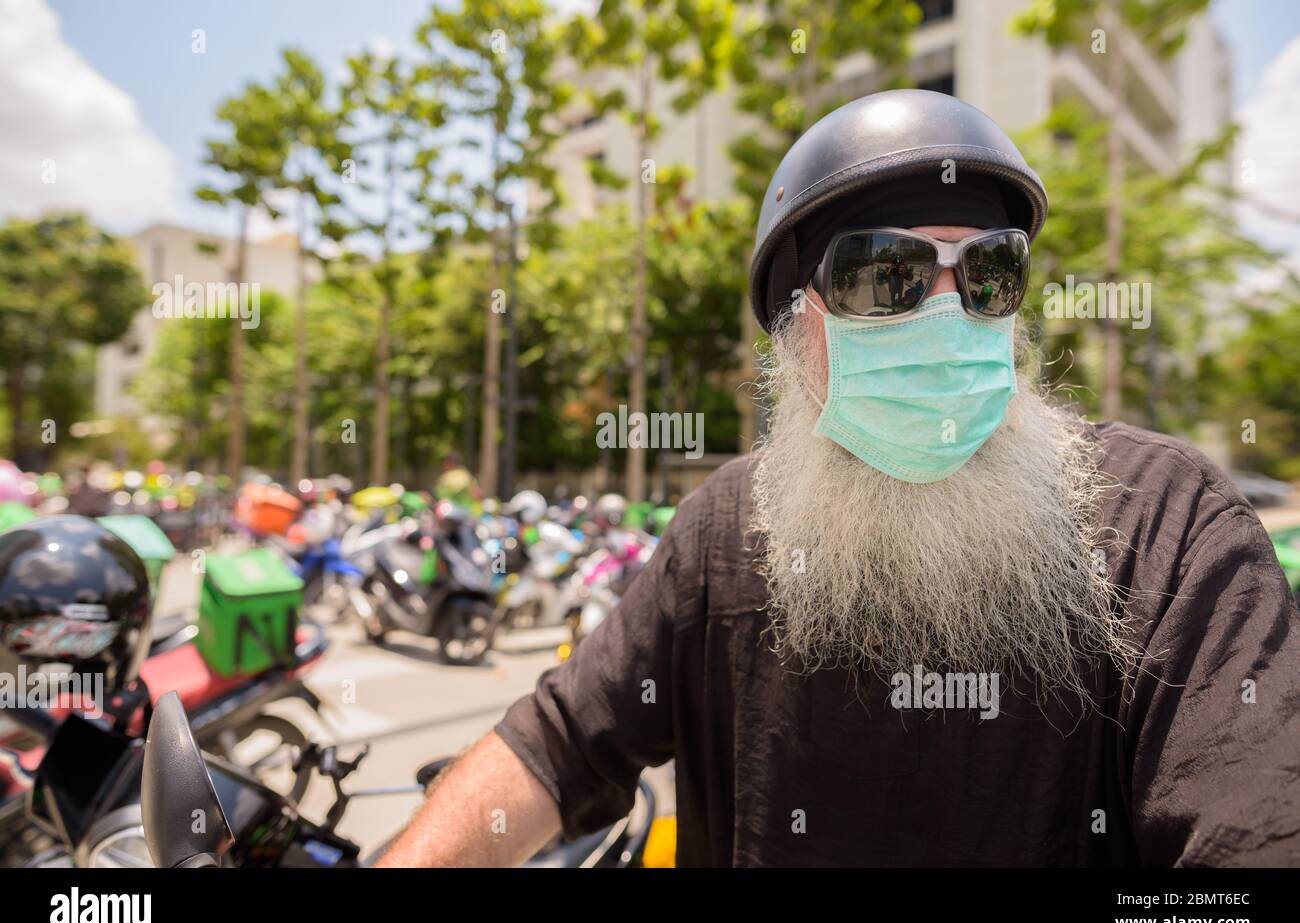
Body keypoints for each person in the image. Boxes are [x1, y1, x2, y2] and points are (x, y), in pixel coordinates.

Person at [378, 90, 1300, 867]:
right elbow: (556, 746)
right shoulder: (724, 532)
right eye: (883, 272)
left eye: (989, 271)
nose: (948, 309)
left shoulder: (1169, 523)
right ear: (795, 327)